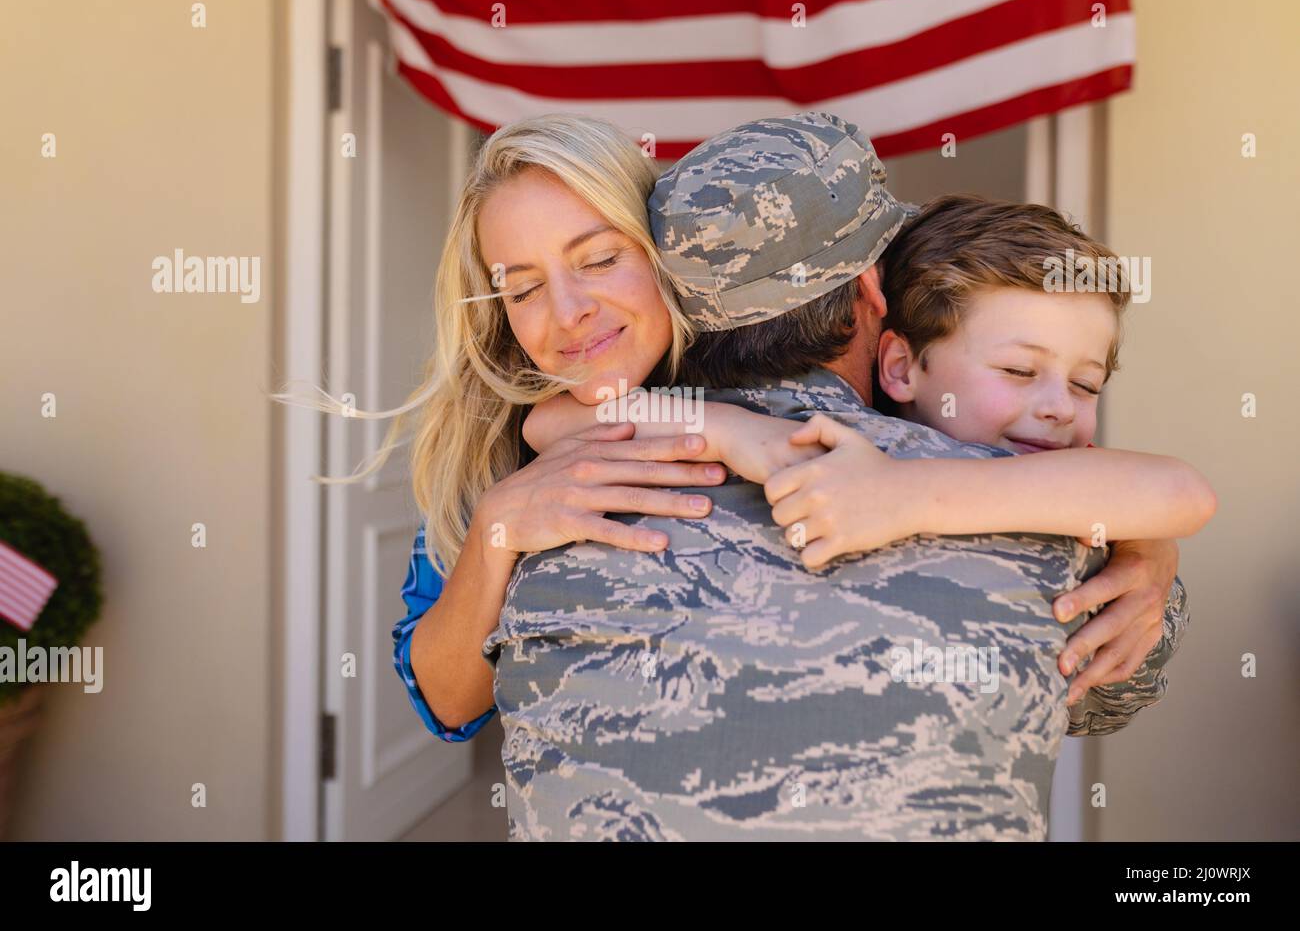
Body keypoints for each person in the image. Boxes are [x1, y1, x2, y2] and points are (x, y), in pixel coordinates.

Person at [380, 112, 1190, 839]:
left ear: (673, 266)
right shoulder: (513, 469)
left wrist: (1144, 547)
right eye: (521, 288)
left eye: (598, 259)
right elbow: (450, 700)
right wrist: (495, 530)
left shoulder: (915, 452)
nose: (567, 312)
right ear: (872, 297)